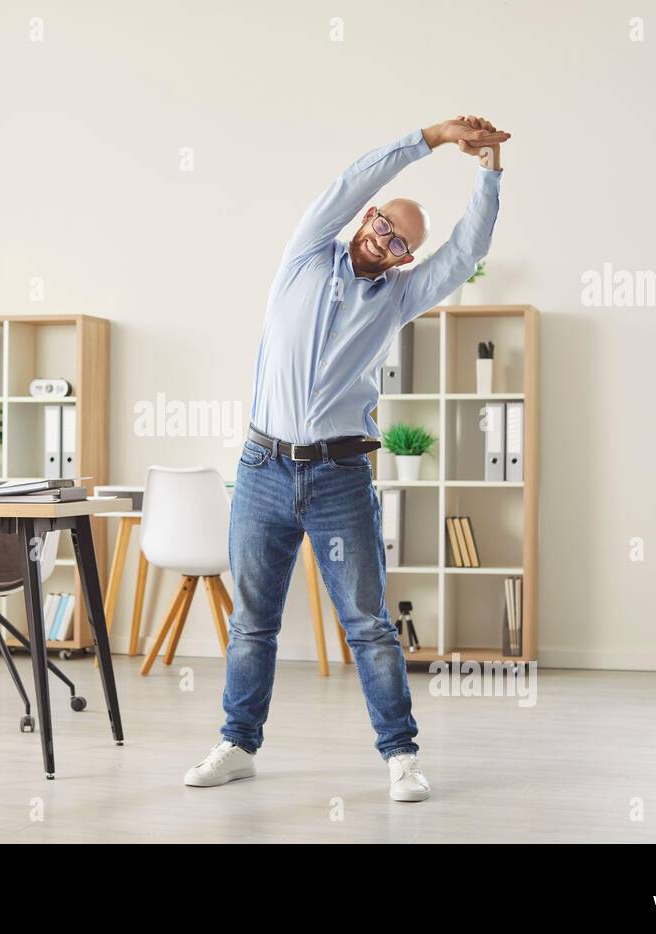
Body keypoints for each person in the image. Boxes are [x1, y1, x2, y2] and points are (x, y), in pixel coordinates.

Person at [184, 116, 510, 801]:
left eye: (400, 245)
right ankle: (237, 743)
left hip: (338, 478)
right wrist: (431, 137)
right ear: (367, 218)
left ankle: (400, 756)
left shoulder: (397, 298)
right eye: (385, 227)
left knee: (367, 623)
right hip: (263, 470)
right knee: (252, 622)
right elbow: (353, 178)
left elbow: (463, 252)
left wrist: (486, 173)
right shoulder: (305, 253)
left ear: (403, 261)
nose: (386, 243)